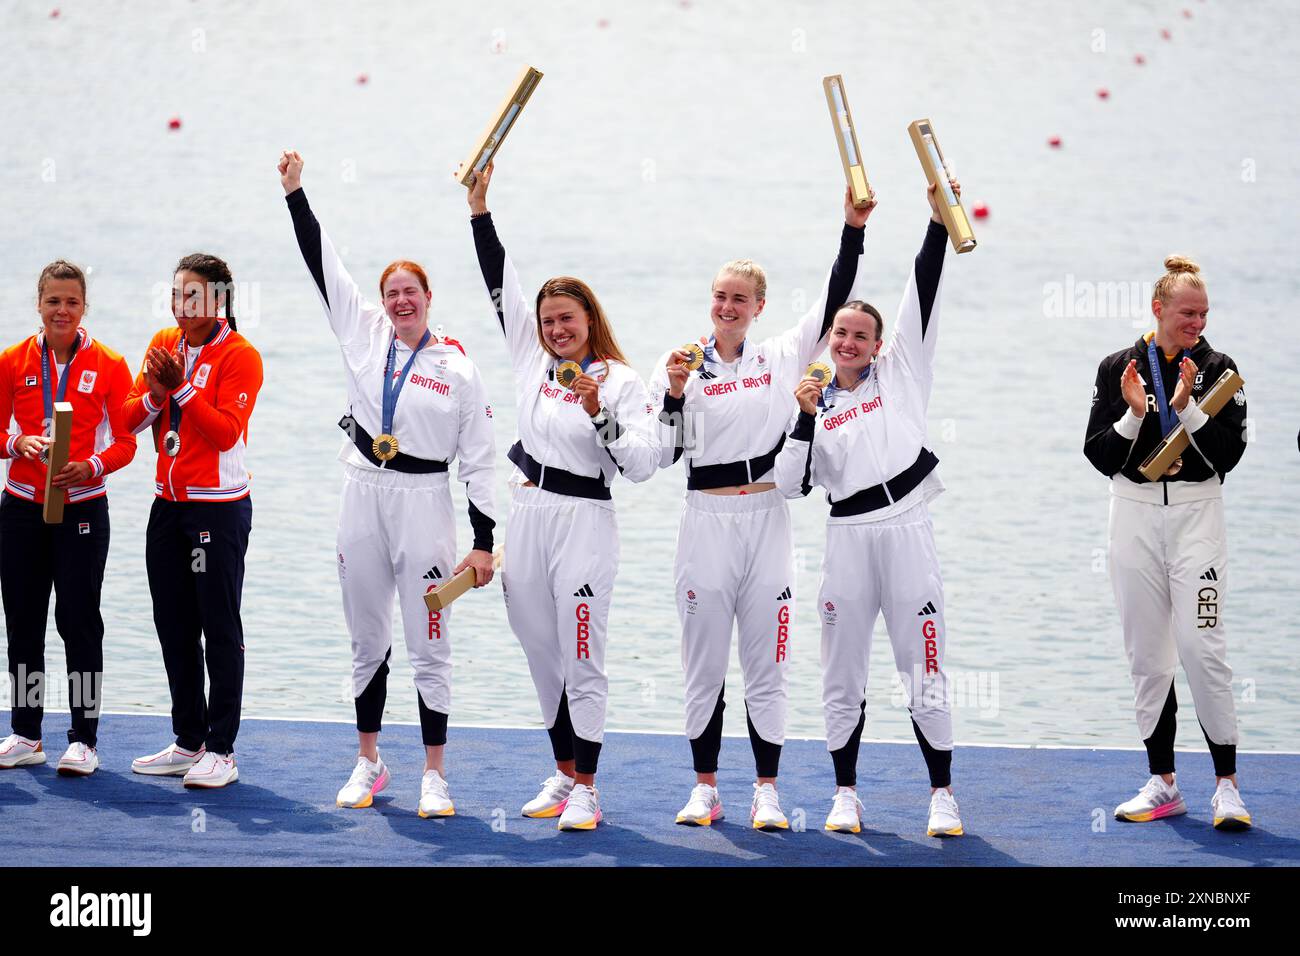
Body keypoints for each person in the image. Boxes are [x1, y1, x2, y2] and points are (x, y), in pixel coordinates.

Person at [278, 150, 497, 817]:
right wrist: (295, 193)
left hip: (425, 502)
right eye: (392, 292)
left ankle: (435, 774)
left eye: (412, 292)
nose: (401, 300)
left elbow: (481, 459)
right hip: (362, 493)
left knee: (430, 635)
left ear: (429, 299)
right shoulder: (363, 333)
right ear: (382, 301)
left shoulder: (456, 367)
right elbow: (324, 264)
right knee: (366, 637)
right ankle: (368, 760)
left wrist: (484, 539)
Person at [650, 187, 870, 830]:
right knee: (704, 661)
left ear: (759, 308)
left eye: (739, 299)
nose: (727, 306)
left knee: (768, 661)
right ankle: (705, 787)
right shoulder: (686, 363)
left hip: (768, 516)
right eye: (720, 296)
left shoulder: (780, 355)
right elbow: (665, 454)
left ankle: (766, 790)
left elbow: (836, 296)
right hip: (705, 519)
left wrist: (851, 227)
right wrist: (671, 392)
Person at [465, 161, 659, 831]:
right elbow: (500, 285)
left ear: (588, 319)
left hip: (585, 519)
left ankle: (590, 790)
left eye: (566, 319)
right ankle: (563, 769)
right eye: (548, 320)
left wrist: (599, 409)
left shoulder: (623, 381)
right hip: (530, 515)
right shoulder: (530, 358)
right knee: (537, 646)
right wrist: (479, 208)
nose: (555, 329)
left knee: (582, 652)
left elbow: (640, 466)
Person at [773, 182, 964, 837]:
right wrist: (801, 420)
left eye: (860, 335)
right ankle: (845, 794)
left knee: (925, 663)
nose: (849, 342)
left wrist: (938, 219)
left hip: (908, 528)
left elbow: (924, 286)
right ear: (829, 338)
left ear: (878, 344)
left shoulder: (903, 372)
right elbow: (790, 484)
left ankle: (941, 795)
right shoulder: (813, 399)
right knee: (841, 667)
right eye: (840, 333)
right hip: (847, 535)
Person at [1084, 255, 1251, 830]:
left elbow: (1229, 455)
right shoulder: (1119, 366)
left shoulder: (1220, 369)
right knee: (1148, 656)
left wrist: (1186, 410)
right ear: (1159, 309)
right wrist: (1133, 415)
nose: (1197, 323)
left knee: (1202, 647)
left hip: (1196, 516)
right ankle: (1163, 783)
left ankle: (1227, 788)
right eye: (1187, 312)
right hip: (1131, 514)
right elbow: (1099, 454)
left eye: (1203, 313)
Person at [124, 253, 262, 789]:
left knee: (218, 625)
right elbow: (130, 421)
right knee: (173, 623)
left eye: (196, 296)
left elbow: (226, 432)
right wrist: (157, 393)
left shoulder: (241, 356)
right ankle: (188, 740)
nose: (184, 306)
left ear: (221, 299)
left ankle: (222, 749)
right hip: (168, 506)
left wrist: (180, 388)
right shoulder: (164, 343)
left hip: (218, 509)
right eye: (178, 295)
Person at [0, 260, 137, 776]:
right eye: (53, 301)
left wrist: (91, 465)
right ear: (38, 303)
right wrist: (18, 443)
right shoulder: (12, 360)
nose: (62, 310)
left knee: (79, 623)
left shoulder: (110, 364)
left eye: (72, 302)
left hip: (82, 510)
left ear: (84, 308)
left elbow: (125, 442)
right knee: (24, 624)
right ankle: (26, 732)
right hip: (21, 509)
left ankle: (84, 739)